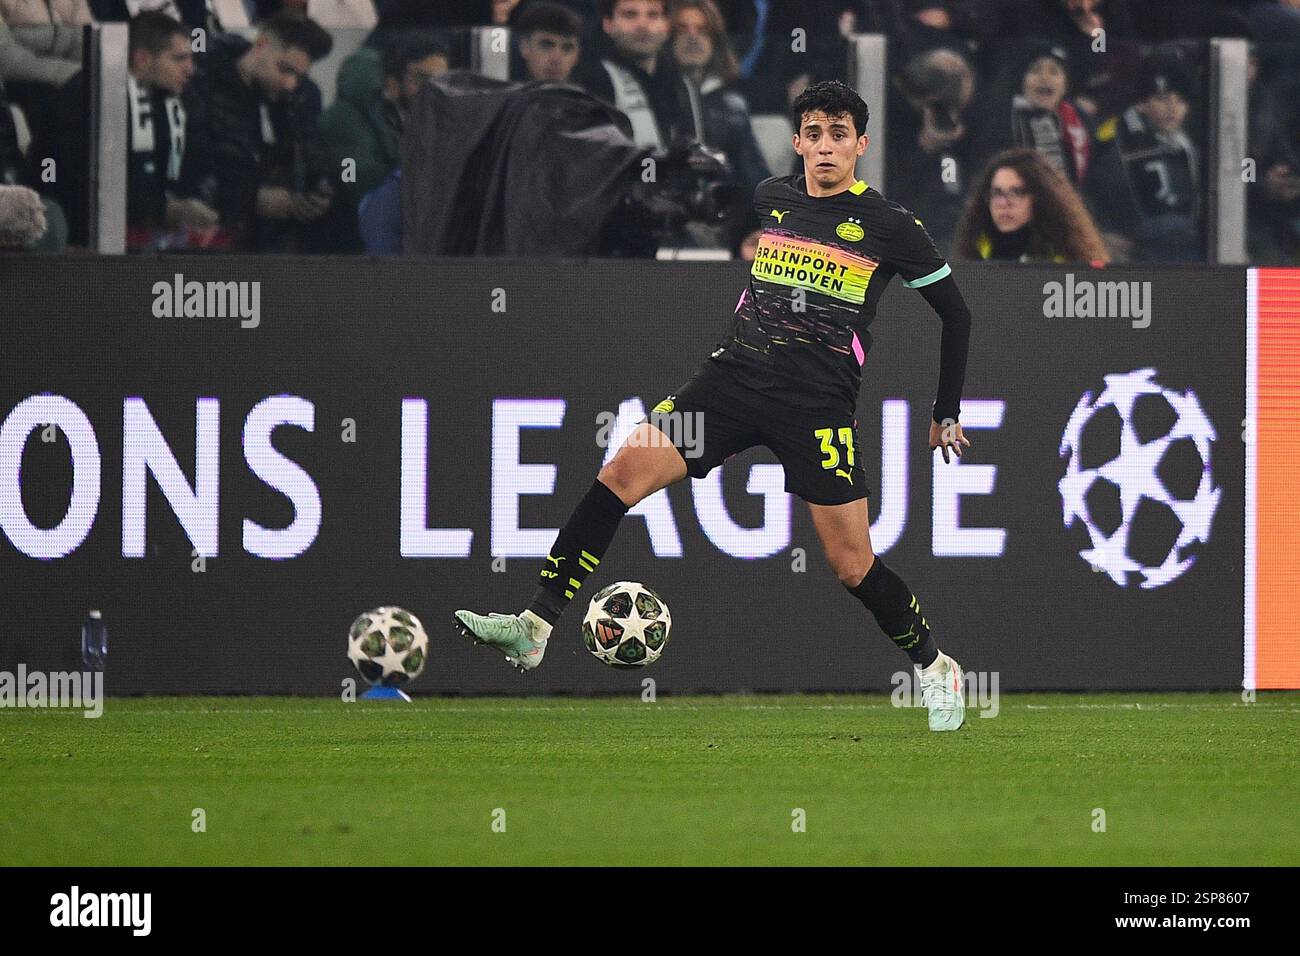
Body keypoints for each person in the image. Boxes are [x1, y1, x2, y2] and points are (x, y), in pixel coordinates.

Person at [455, 80, 975, 733]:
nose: (824, 147)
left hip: (815, 406)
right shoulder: (771, 199)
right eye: (813, 133)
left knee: (851, 565)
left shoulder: (893, 227)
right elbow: (716, 208)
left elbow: (957, 316)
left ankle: (935, 668)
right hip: (729, 384)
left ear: (861, 145)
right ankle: (533, 627)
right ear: (796, 142)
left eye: (839, 135)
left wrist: (945, 409)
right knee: (620, 476)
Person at [27, 9, 216, 248]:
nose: (191, 69)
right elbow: (73, 182)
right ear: (142, 59)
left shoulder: (178, 100)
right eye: (179, 59)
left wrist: (196, 201)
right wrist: (163, 209)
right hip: (85, 243)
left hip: (154, 237)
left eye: (191, 58)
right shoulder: (86, 95)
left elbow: (199, 161)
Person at [182, 10, 334, 251]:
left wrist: (319, 187)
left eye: (298, 75)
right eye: (285, 69)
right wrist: (250, 199)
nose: (290, 83)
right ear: (261, 45)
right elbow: (190, 167)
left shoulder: (300, 96)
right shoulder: (203, 80)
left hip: (271, 241)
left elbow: (313, 150)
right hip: (209, 237)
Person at [319, 34, 448, 250]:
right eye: (422, 79)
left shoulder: (430, 122)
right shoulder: (344, 119)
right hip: (351, 251)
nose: (433, 91)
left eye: (441, 81)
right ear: (392, 83)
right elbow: (355, 180)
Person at [669, 0, 769, 249]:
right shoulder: (655, 98)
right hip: (668, 227)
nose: (693, 38)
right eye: (682, 30)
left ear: (716, 41)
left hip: (725, 231)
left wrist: (755, 227)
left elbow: (752, 175)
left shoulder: (732, 104)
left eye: (703, 31)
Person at [575, 0, 695, 149]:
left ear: (667, 25)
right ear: (608, 24)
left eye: (653, 15)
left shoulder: (682, 84)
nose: (642, 25)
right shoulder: (592, 78)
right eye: (630, 15)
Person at [954, 147, 1108, 262]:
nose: (1003, 203)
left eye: (1016, 192)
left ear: (1040, 198)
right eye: (996, 193)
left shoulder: (1067, 257)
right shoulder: (973, 252)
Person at [515, 0, 582, 83]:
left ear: (576, 55)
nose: (556, 59)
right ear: (524, 47)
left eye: (567, 48)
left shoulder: (590, 95)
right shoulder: (501, 93)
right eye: (546, 46)